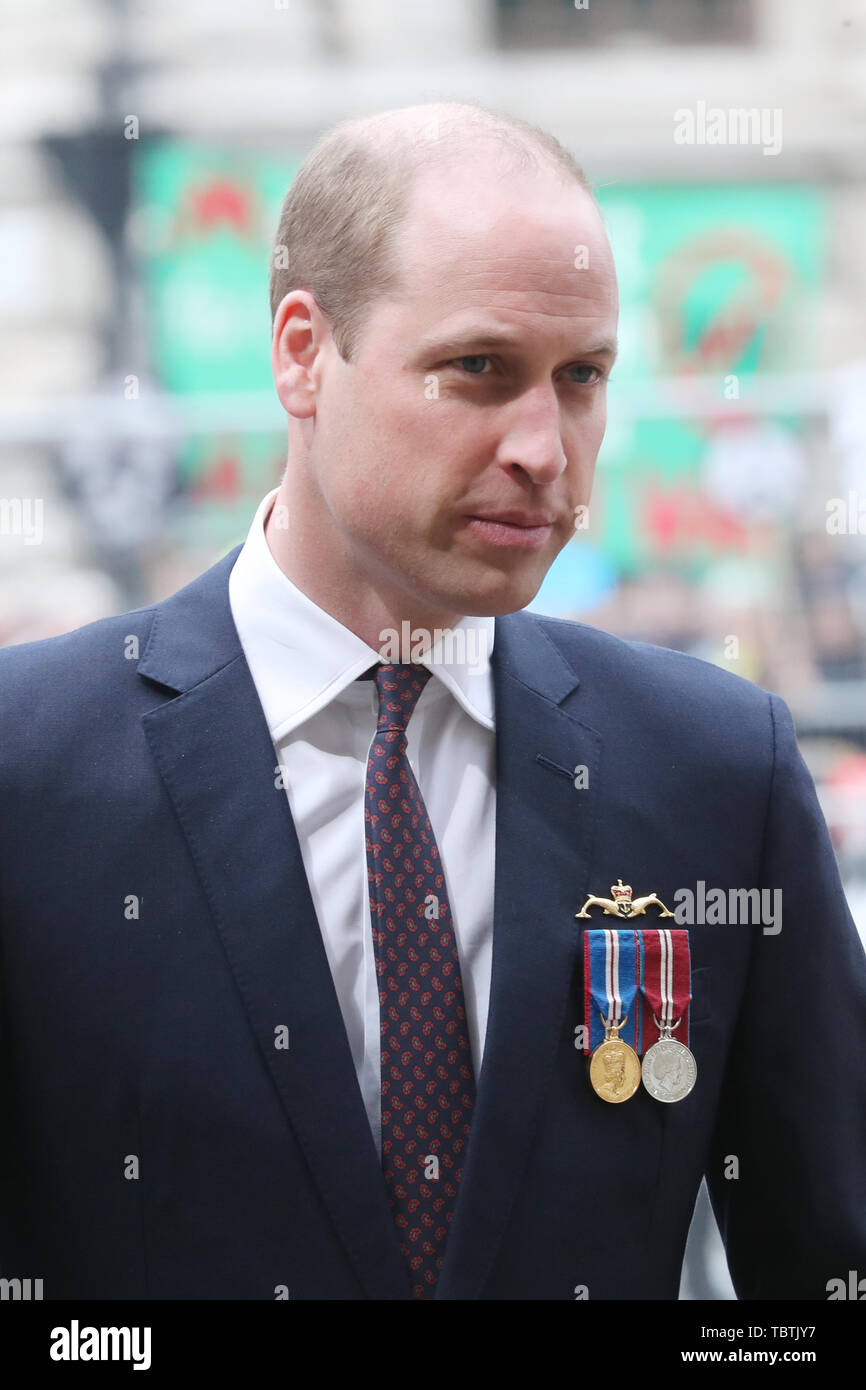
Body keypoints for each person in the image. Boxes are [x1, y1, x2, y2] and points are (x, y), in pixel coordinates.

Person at [1, 101, 864, 1302]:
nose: (541, 447)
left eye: (581, 378)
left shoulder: (715, 770)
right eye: (477, 369)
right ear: (303, 352)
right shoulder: (29, 767)